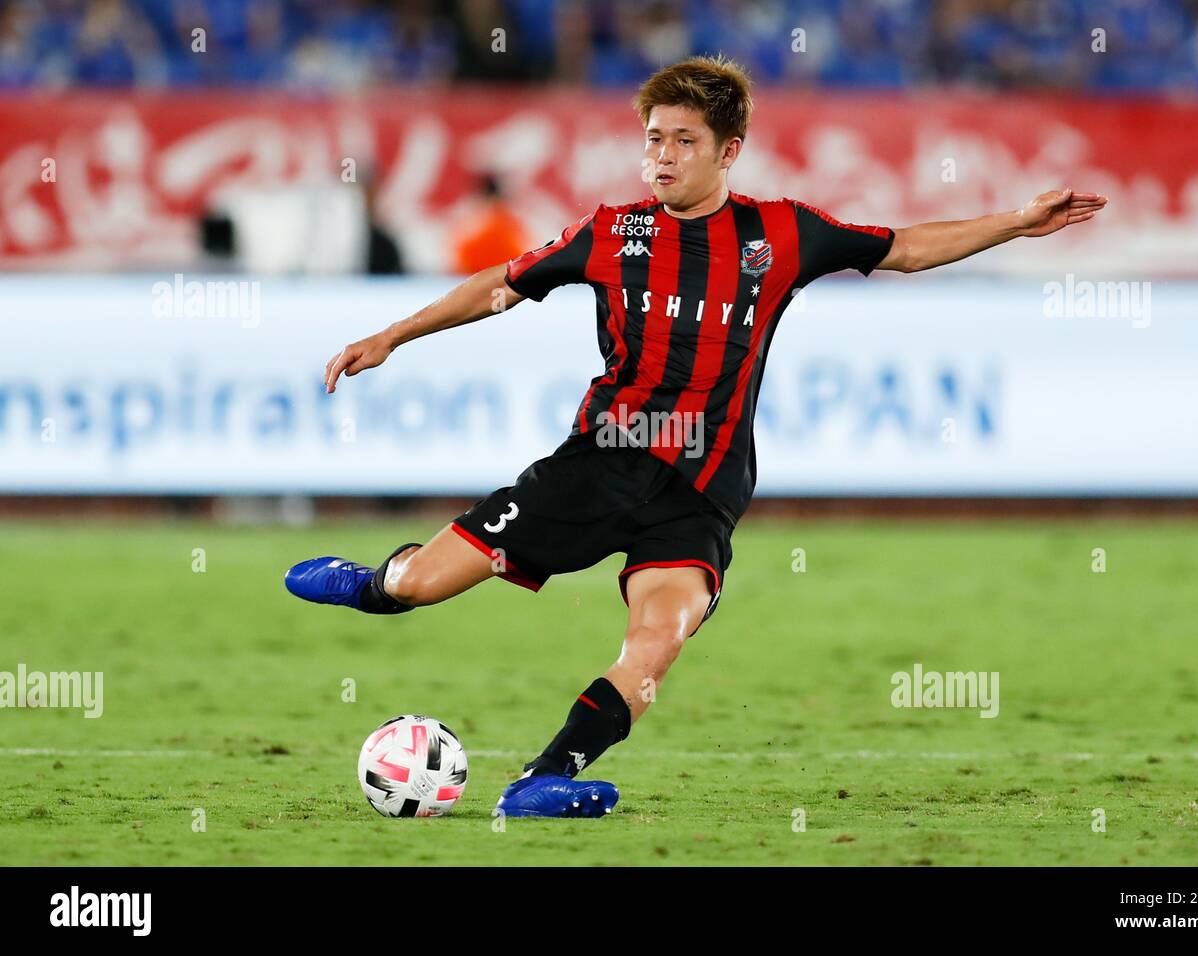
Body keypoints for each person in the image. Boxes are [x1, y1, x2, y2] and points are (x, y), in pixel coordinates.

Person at [284, 55, 1107, 818]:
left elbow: (904, 249)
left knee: (656, 643)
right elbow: (501, 285)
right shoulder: (612, 234)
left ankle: (541, 781)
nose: (663, 156)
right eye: (653, 140)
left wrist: (1016, 222)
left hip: (701, 492)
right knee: (422, 586)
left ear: (729, 151)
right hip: (597, 467)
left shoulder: (783, 234)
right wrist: (393, 334)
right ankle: (375, 583)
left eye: (684, 140)